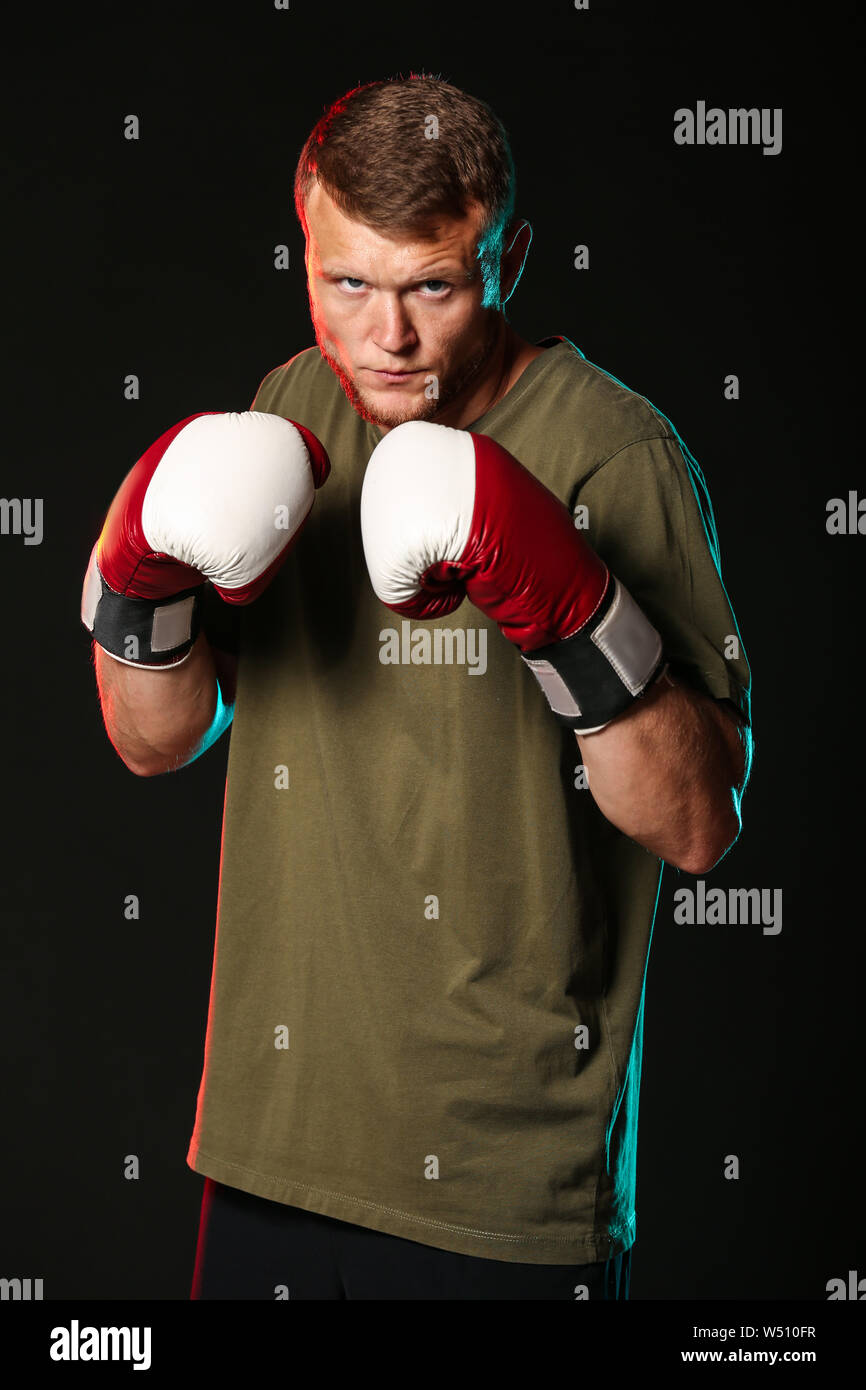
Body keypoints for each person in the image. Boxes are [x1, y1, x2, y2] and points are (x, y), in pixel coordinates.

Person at [83, 74, 752, 1300]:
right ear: (304, 251)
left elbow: (698, 825)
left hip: (502, 1194)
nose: (383, 338)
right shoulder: (288, 410)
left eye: (432, 287)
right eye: (347, 284)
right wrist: (134, 592)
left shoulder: (614, 453)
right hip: (267, 1149)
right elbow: (155, 742)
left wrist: (572, 608)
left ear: (508, 259)